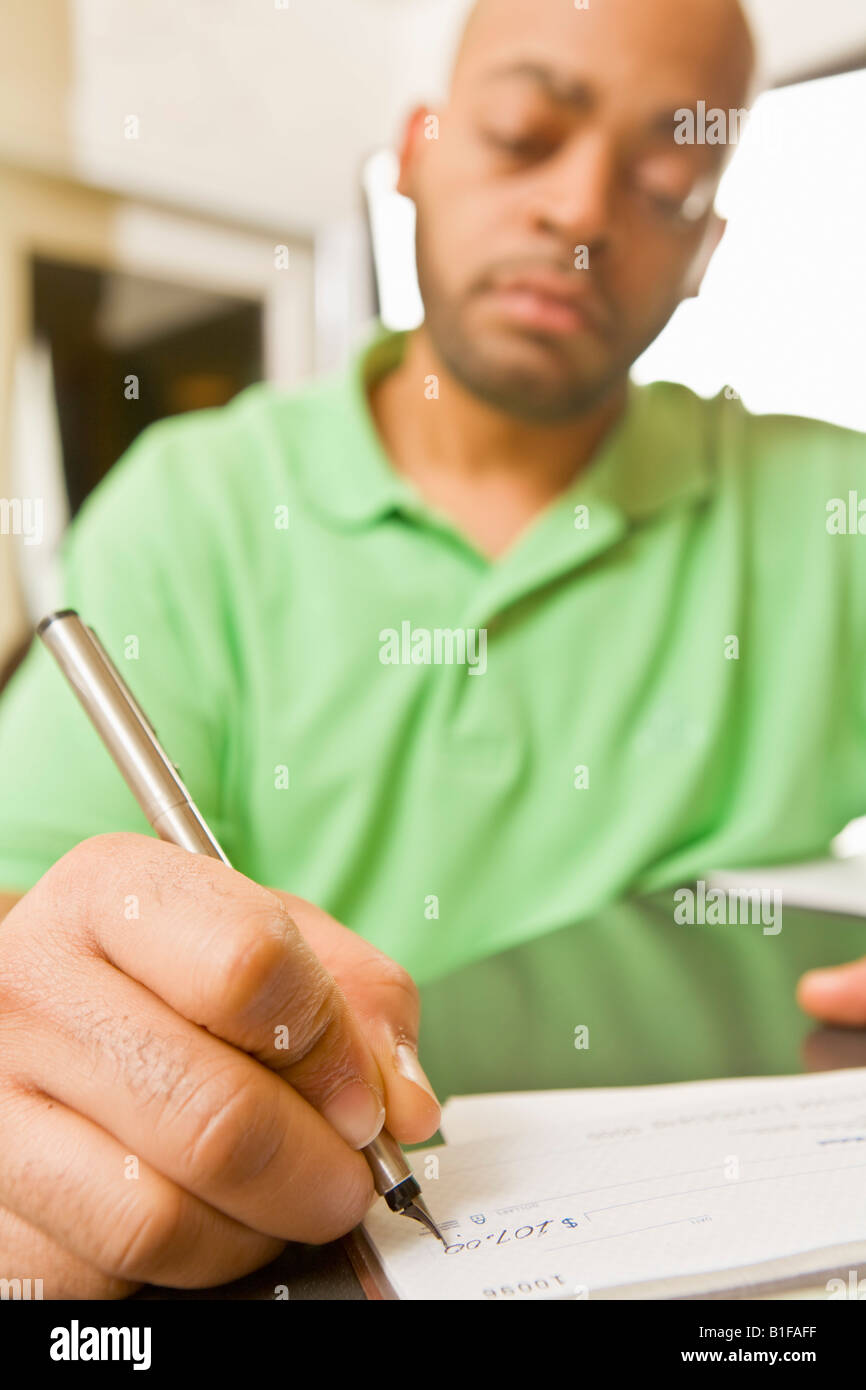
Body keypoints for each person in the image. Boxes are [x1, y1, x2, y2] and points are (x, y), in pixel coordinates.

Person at [0, 0, 864, 1297]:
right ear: (414, 150)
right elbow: (29, 917)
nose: (578, 212)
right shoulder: (193, 509)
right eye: (523, 133)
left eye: (665, 182)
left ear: (705, 250)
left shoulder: (826, 506)